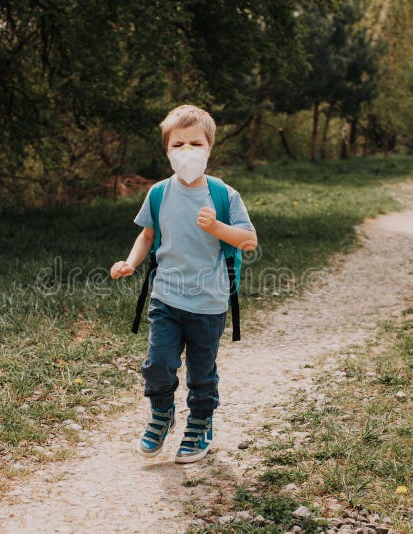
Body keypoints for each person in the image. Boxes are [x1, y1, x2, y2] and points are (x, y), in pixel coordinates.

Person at [109, 104, 257, 463]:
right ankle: (162, 415)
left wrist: (217, 228)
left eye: (195, 143)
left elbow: (249, 241)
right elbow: (148, 235)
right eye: (178, 145)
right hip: (166, 298)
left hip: (208, 304)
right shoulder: (159, 193)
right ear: (167, 150)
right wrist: (130, 262)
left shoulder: (223, 195)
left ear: (209, 148)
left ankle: (200, 424)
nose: (187, 152)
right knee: (158, 364)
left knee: (201, 375)